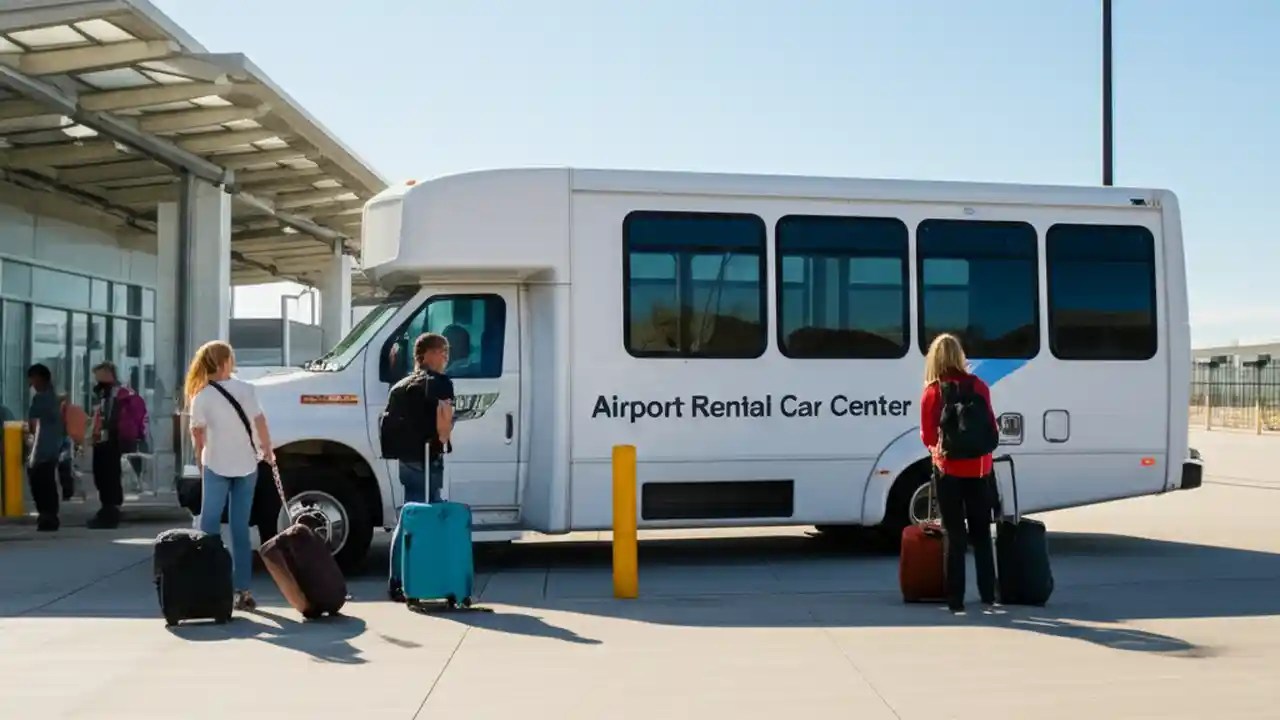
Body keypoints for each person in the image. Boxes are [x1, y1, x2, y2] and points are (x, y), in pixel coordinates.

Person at [186, 340, 275, 612]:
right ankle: (243, 591)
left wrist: (201, 463)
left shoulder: (201, 396)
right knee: (240, 529)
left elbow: (197, 434)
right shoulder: (246, 389)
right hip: (247, 463)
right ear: (227, 362)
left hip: (215, 464)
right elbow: (260, 422)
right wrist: (268, 450)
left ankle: (209, 585)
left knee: (209, 525)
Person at [920, 333, 1000, 615]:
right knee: (981, 535)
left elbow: (928, 435)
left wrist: (938, 451)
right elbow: (992, 427)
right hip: (980, 471)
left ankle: (956, 600)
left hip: (948, 471)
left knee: (954, 535)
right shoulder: (979, 386)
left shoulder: (932, 392)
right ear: (959, 356)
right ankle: (989, 595)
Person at [387, 332, 455, 601]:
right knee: (428, 518)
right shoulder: (441, 384)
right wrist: (444, 437)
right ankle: (424, 579)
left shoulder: (400, 385)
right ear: (426, 354)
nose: (445, 357)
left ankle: (397, 579)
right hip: (429, 460)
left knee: (408, 517)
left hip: (407, 460)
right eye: (442, 351)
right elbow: (444, 422)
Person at [86, 362, 146, 529]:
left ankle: (110, 512)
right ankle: (109, 510)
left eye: (98, 374)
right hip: (106, 439)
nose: (96, 379)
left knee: (108, 475)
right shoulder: (105, 393)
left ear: (108, 373)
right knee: (104, 475)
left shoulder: (115, 394)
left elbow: (108, 417)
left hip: (112, 439)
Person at [25, 364, 66, 532]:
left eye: (32, 378)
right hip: (49, 447)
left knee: (41, 483)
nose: (31, 382)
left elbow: (35, 424)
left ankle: (47, 515)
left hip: (41, 448)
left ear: (39, 378)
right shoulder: (53, 397)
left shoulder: (42, 399)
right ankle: (48, 515)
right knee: (45, 482)